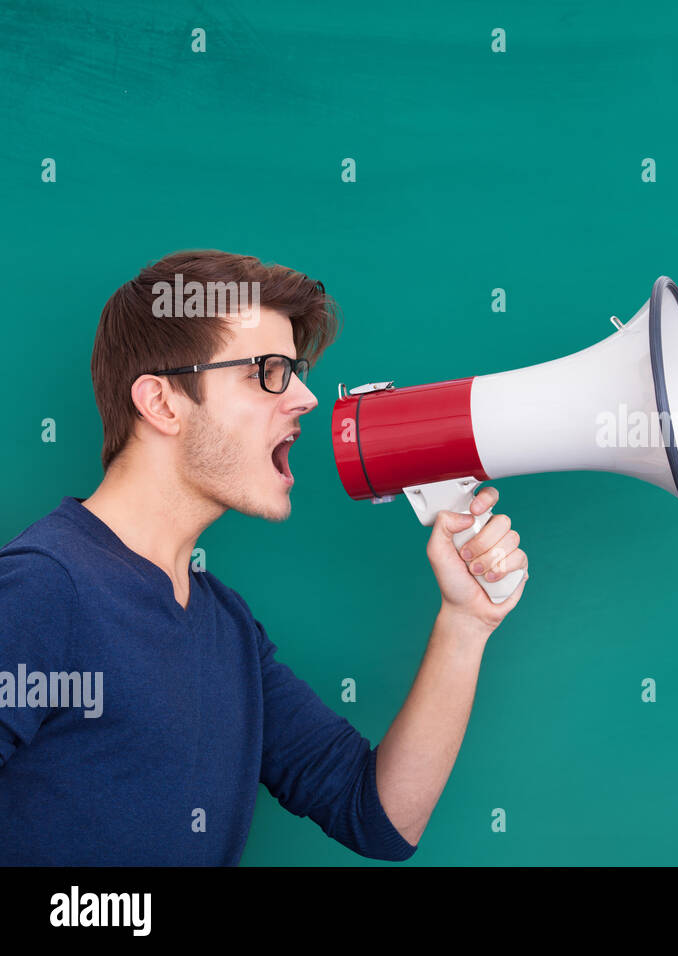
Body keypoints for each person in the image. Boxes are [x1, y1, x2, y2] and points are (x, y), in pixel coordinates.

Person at [0, 250, 527, 864]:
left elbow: (378, 817)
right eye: (266, 371)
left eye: (296, 370)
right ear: (162, 402)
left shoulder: (227, 626)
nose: (304, 396)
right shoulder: (42, 588)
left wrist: (466, 624)